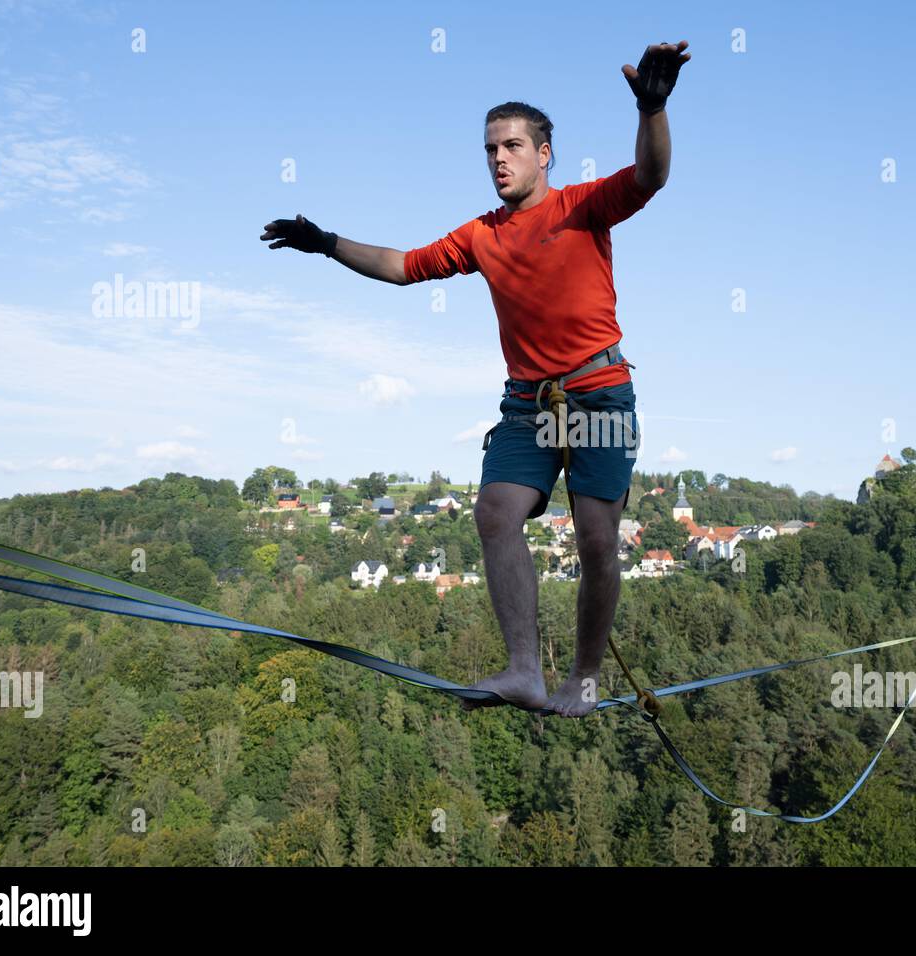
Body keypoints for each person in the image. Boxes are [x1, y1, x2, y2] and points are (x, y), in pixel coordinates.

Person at [261, 41, 690, 717]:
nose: (499, 158)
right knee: (494, 514)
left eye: (513, 146)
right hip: (528, 404)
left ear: (544, 154)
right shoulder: (481, 236)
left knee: (599, 539)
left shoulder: (583, 206)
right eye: (490, 148)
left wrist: (653, 108)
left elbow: (652, 174)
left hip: (598, 391)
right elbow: (402, 265)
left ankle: (581, 677)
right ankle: (524, 669)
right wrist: (328, 243)